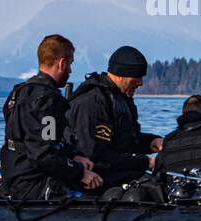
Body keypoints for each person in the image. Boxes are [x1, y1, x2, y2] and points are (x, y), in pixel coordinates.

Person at [0, 34, 101, 200]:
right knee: (97, 192)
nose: (70, 71)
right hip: (33, 181)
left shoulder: (19, 92)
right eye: (70, 64)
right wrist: (81, 173)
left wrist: (74, 156)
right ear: (62, 63)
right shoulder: (48, 100)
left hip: (13, 174)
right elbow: (44, 154)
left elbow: (38, 140)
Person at [66, 45, 164, 187]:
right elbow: (95, 156)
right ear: (119, 75)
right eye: (136, 77)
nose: (140, 83)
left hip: (113, 172)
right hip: (93, 178)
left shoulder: (119, 98)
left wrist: (152, 142)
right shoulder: (93, 102)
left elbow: (124, 140)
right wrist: (146, 162)